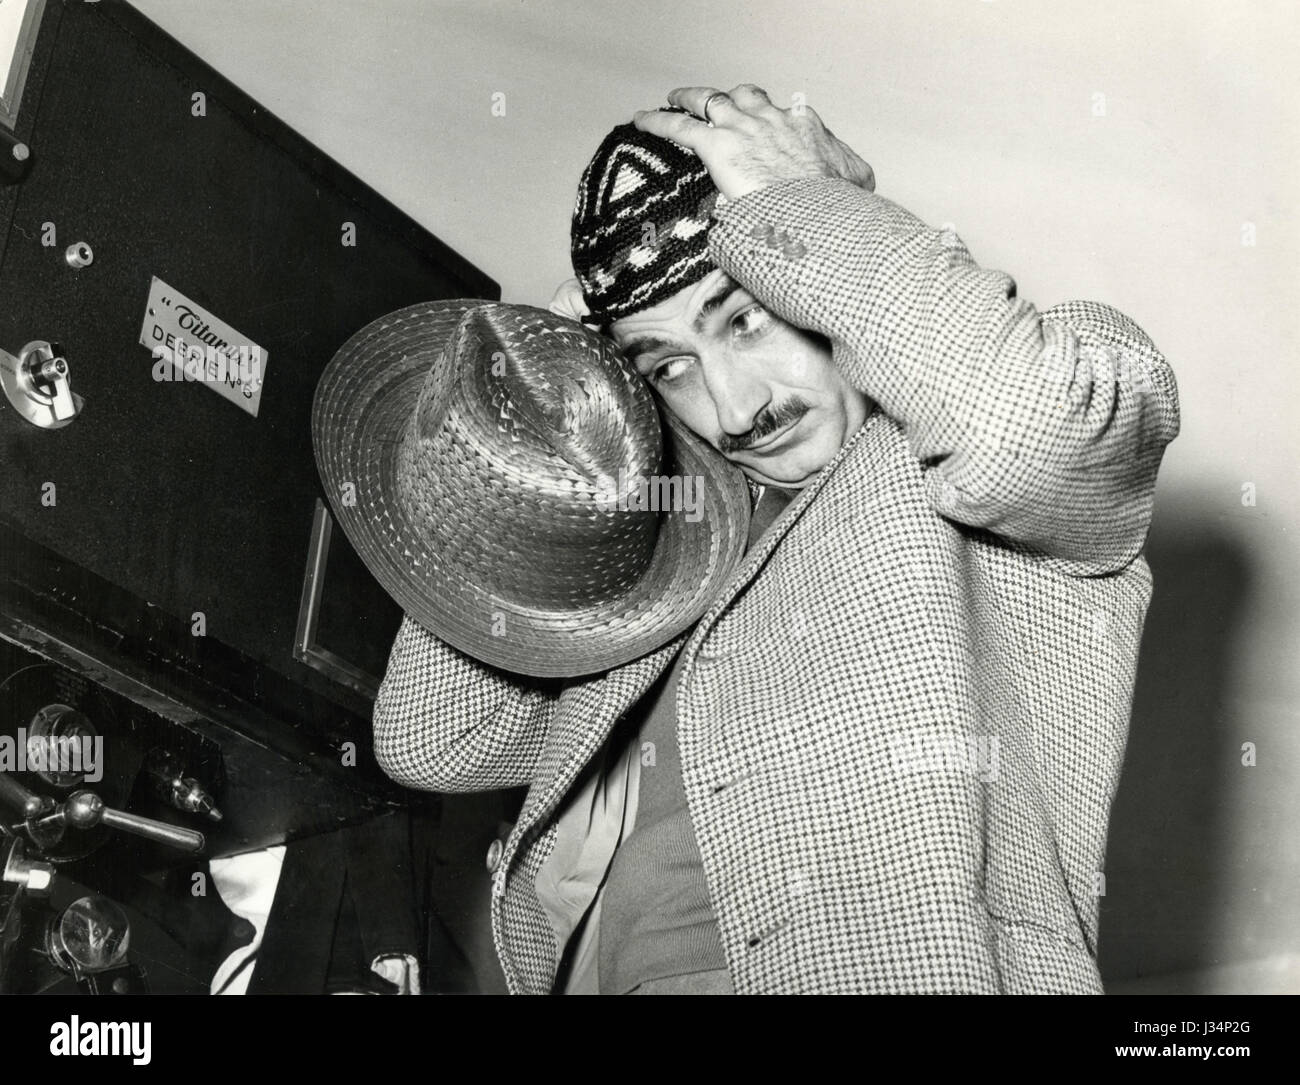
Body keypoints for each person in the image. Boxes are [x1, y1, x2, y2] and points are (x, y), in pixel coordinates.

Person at [372, 83, 1180, 994]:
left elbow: (1027, 423)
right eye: (671, 365)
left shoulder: (981, 449)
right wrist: (547, 442)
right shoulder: (670, 536)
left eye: (744, 319)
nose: (735, 406)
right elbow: (436, 738)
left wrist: (814, 210)